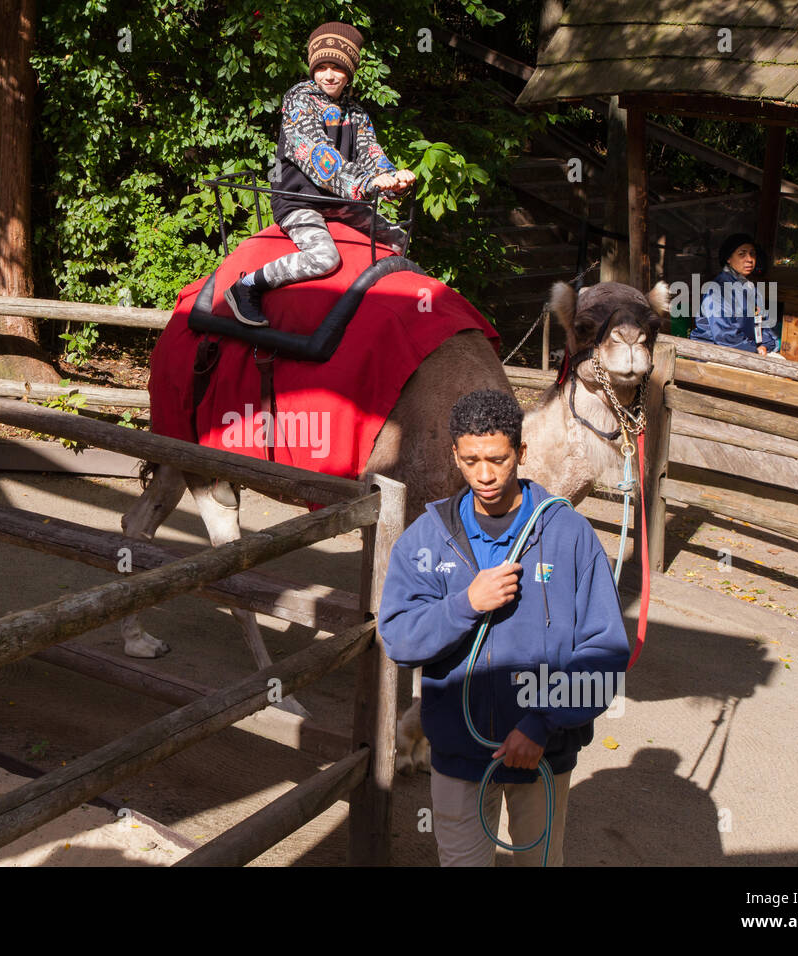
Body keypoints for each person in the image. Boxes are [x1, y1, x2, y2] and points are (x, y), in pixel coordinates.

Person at [377, 390, 629, 866]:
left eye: (498, 459)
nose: (485, 475)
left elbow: (605, 652)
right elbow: (399, 638)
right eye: (470, 460)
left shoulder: (569, 535)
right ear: (454, 453)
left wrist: (540, 724)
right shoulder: (427, 539)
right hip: (457, 754)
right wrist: (464, 605)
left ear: (522, 452)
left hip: (544, 754)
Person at [221, 21, 415, 327]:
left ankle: (380, 307)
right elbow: (317, 156)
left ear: (349, 72)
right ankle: (246, 287)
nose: (328, 74)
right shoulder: (299, 101)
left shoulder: (356, 112)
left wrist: (394, 180)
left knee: (397, 238)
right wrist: (365, 183)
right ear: (312, 67)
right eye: (321, 66)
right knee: (324, 257)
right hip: (300, 201)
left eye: (337, 67)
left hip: (339, 201)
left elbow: (371, 153)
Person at [691, 233, 782, 355]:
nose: (749, 259)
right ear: (728, 258)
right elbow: (724, 335)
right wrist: (753, 350)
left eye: (752, 253)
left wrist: (765, 345)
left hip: (744, 350)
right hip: (713, 353)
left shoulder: (750, 288)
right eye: (742, 254)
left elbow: (762, 323)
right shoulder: (718, 290)